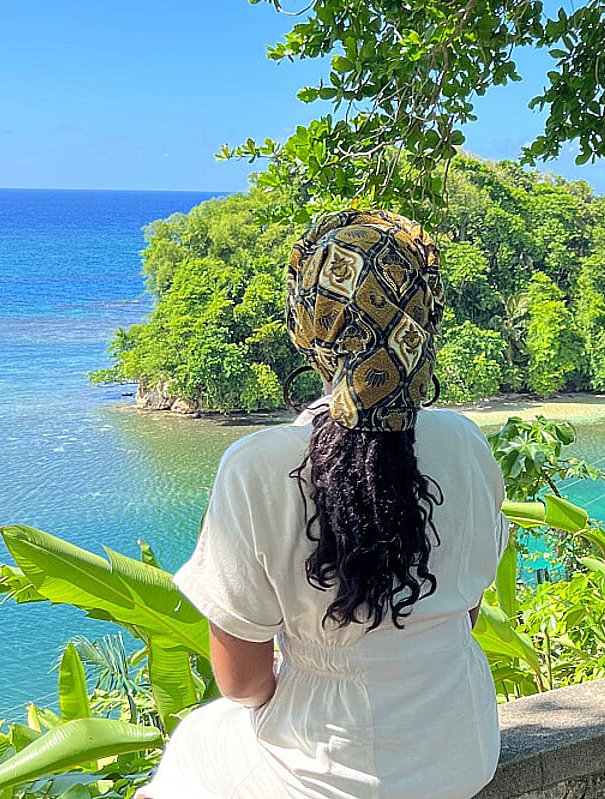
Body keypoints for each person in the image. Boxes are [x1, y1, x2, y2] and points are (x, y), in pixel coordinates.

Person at [140, 210, 508, 799]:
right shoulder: (464, 444)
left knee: (197, 740)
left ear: (308, 325)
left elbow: (242, 684)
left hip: (325, 774)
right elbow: (464, 613)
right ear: (422, 319)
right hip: (461, 749)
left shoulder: (258, 467)